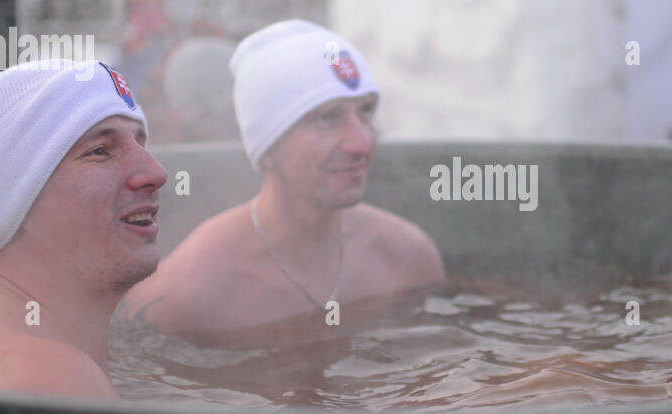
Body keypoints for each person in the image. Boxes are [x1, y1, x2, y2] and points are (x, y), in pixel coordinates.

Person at [118, 19, 445, 342]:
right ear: (267, 148)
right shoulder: (187, 295)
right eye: (326, 118)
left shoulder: (406, 258)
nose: (361, 142)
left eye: (365, 112)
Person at [0, 60, 165, 397]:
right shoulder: (48, 377)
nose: (156, 173)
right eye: (100, 151)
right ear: (12, 198)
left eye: (140, 143)